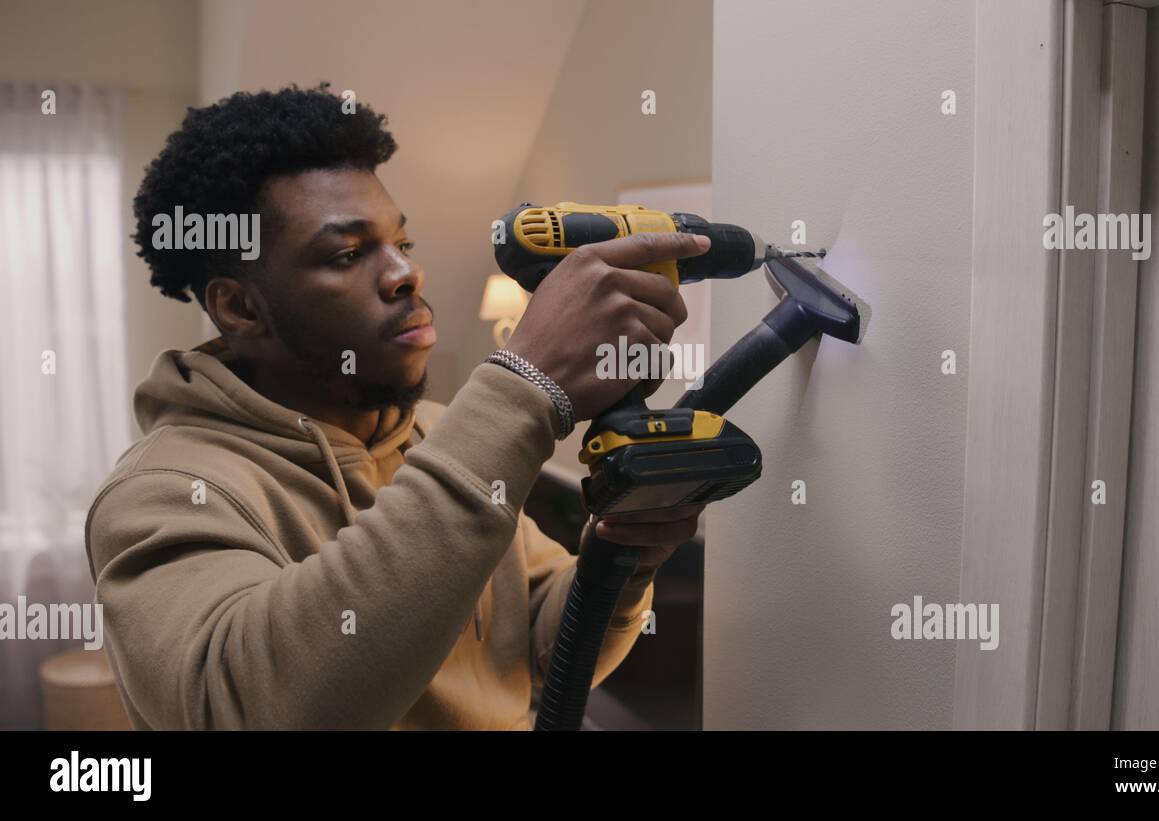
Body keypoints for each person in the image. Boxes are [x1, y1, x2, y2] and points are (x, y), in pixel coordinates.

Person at [84, 84, 708, 730]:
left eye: (402, 244)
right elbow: (253, 707)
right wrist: (521, 385)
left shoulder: (439, 434)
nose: (405, 274)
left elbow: (543, 645)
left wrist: (620, 560)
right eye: (348, 254)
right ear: (241, 308)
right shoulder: (161, 494)